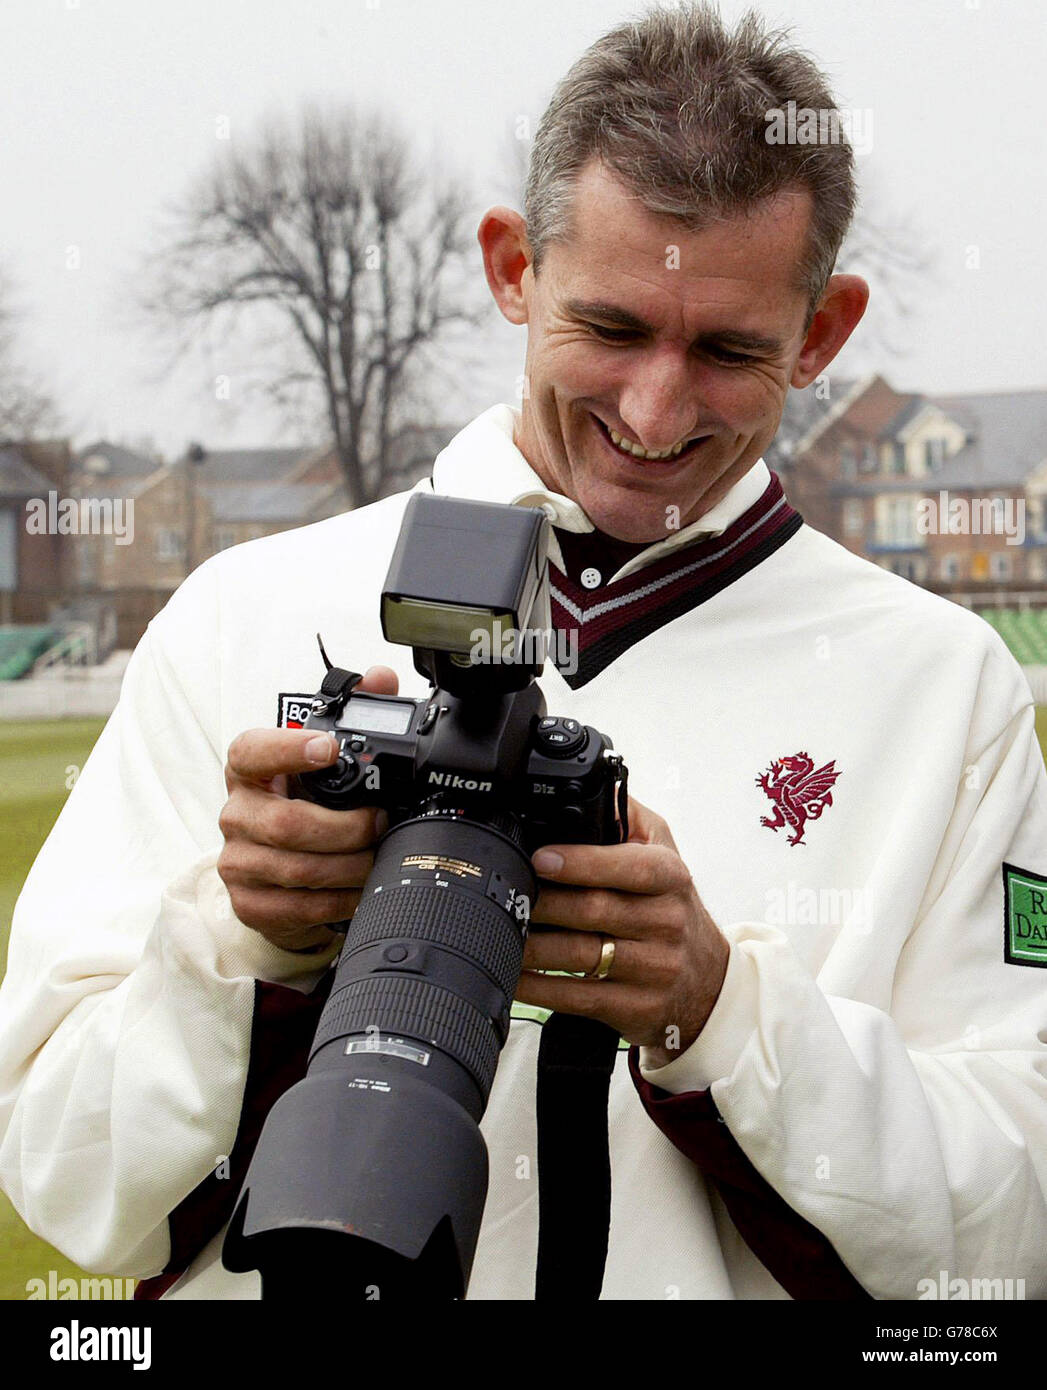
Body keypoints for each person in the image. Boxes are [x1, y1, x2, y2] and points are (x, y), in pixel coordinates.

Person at [2, 2, 1046, 1301]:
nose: (655, 412)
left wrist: (724, 1011)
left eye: (727, 349)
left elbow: (1014, 1233)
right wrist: (241, 944)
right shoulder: (240, 612)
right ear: (513, 268)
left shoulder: (946, 694)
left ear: (824, 330)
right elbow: (59, 1171)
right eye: (610, 328)